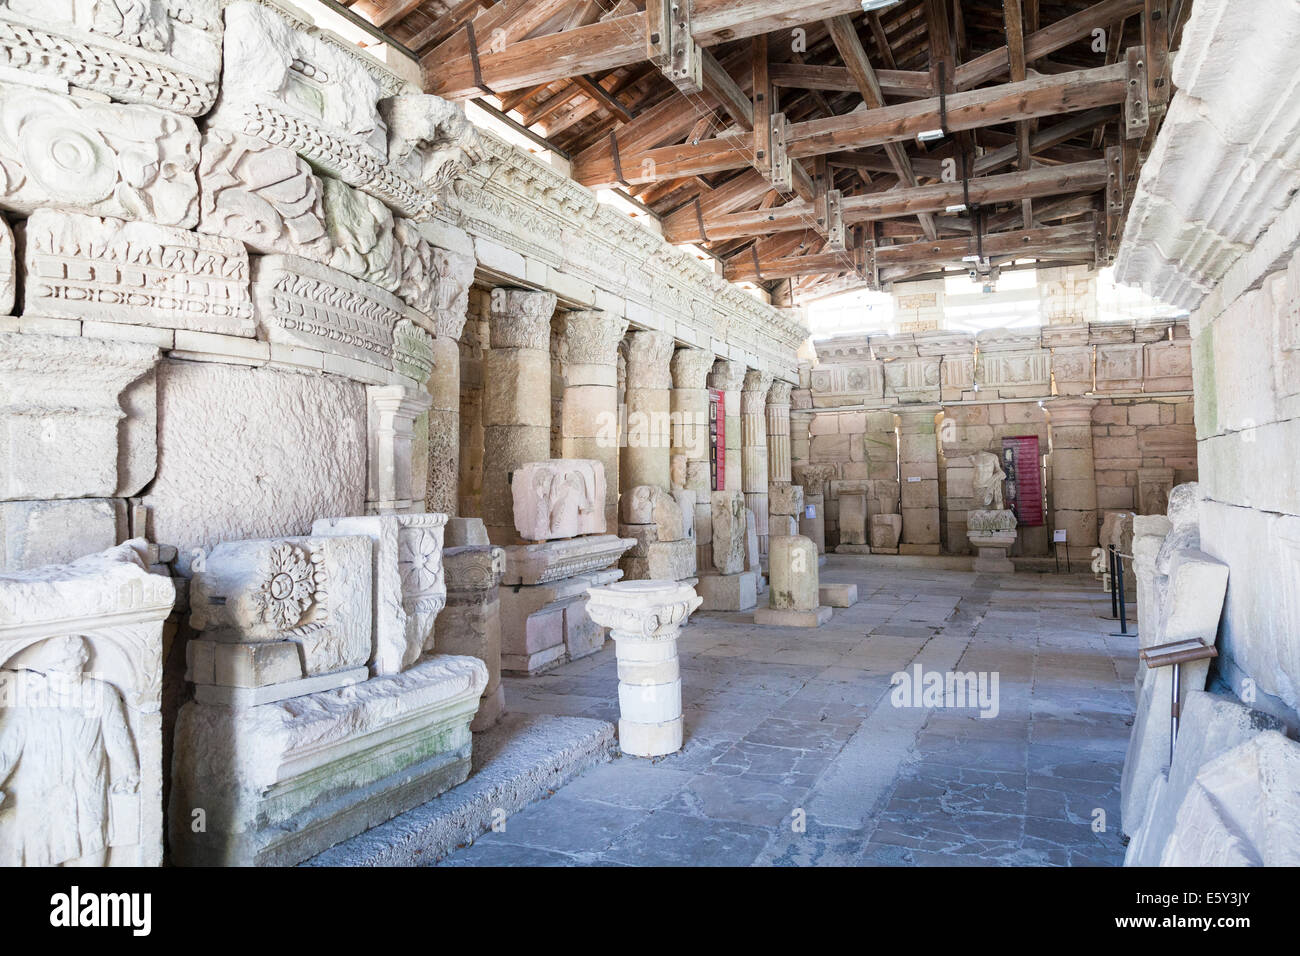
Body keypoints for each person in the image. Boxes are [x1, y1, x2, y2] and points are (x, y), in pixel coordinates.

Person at [0, 636, 139, 866]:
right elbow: (7, 750)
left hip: (87, 798)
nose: (66, 671)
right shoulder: (32, 701)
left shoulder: (102, 694)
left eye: (71, 664)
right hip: (43, 803)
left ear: (82, 662)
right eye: (58, 666)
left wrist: (131, 773)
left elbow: (117, 739)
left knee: (92, 859)